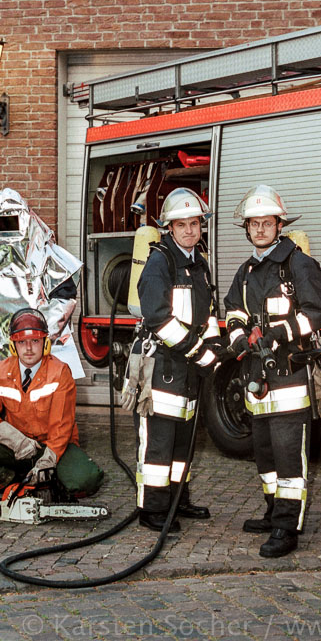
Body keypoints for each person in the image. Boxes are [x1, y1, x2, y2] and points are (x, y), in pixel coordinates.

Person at [224, 185, 321, 557]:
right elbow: (233, 309)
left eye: (266, 223)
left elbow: (318, 312)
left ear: (279, 224)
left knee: (288, 456)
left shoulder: (298, 264)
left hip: (288, 376)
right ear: (248, 229)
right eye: (253, 224)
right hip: (257, 378)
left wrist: (281, 333)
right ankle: (272, 512)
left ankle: (287, 527)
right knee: (265, 454)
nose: (260, 230)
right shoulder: (247, 271)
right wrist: (239, 338)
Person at [129, 187, 221, 532]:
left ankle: (178, 499)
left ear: (201, 226)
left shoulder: (200, 264)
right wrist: (200, 352)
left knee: (184, 438)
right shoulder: (159, 262)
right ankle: (152, 509)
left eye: (194, 223)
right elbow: (158, 319)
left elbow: (207, 313)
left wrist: (214, 345)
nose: (189, 230)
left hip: (189, 368)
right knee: (160, 441)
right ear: (169, 228)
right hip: (164, 367)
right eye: (181, 225)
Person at [0, 309, 103, 497]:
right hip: (16, 447)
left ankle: (52, 479)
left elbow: (61, 427)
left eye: (35, 341)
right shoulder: (0, 372)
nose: (29, 348)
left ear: (45, 343)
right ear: (13, 346)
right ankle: (12, 481)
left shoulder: (60, 373)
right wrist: (16, 441)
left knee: (86, 481)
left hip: (53, 446)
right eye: (22, 342)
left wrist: (48, 459)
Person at [0, 188, 84, 383]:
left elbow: (64, 300)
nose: (3, 230)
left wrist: (35, 338)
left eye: (9, 222)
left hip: (43, 357)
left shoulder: (47, 258)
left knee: (44, 407)